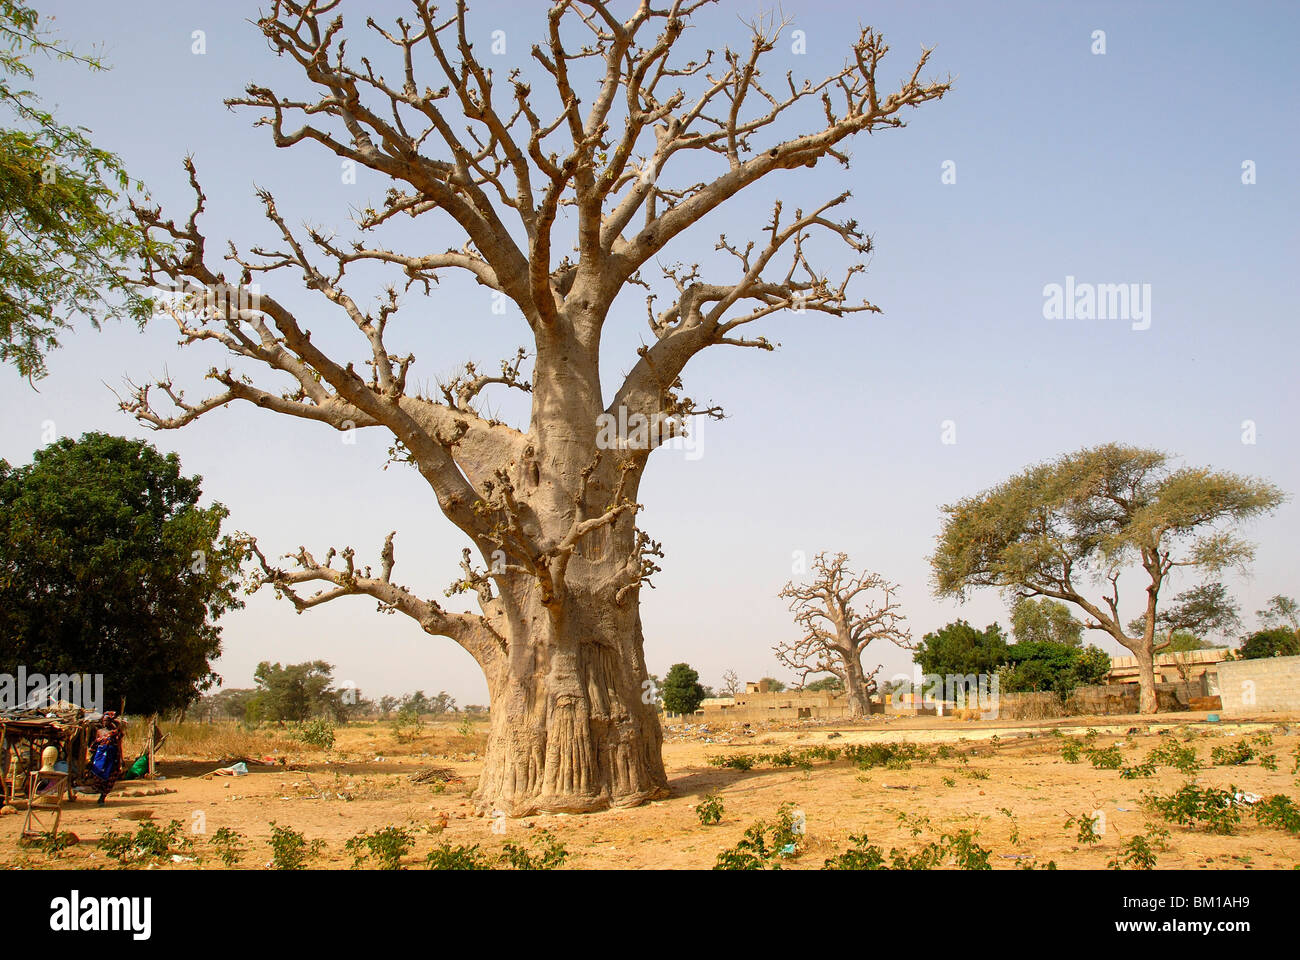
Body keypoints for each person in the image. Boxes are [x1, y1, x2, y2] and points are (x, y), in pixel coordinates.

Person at [84, 713, 125, 805]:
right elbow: (95, 745)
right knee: (97, 775)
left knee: (111, 776)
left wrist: (121, 760)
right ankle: (100, 792)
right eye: (103, 721)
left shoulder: (115, 732)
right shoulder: (99, 731)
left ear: (110, 722)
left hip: (112, 757)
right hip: (100, 756)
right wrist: (91, 759)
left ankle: (103, 796)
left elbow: (119, 745)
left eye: (106, 721)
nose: (104, 722)